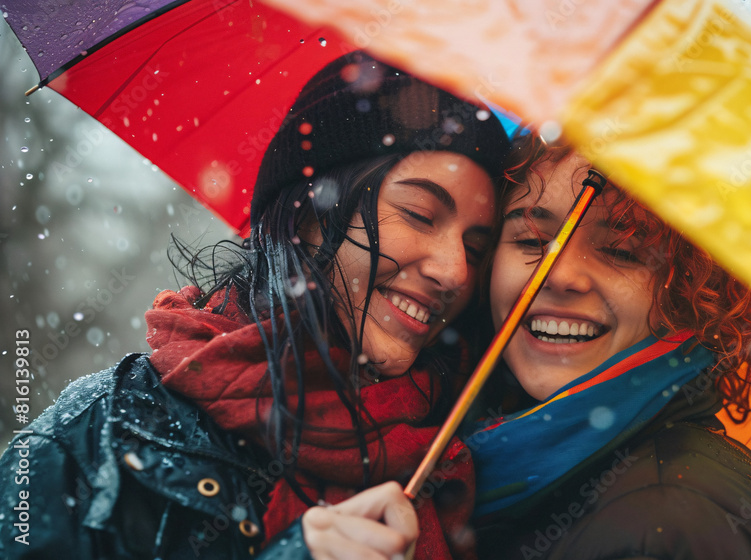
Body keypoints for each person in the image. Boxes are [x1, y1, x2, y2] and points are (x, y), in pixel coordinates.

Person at [0, 51, 510, 560]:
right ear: (310, 211)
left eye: (475, 248)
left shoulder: (467, 457)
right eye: (421, 215)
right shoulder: (98, 436)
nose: (455, 271)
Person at [467, 137, 751, 559]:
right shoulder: (492, 473)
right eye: (532, 240)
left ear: (690, 294)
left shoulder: (666, 523)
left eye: (620, 251)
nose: (557, 275)